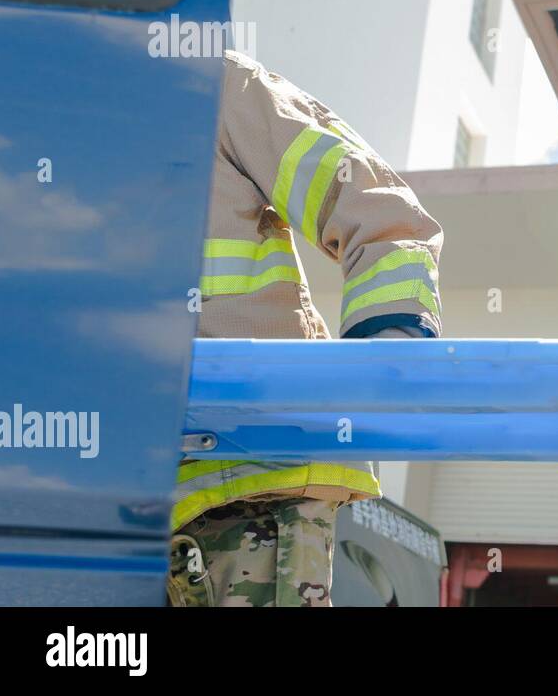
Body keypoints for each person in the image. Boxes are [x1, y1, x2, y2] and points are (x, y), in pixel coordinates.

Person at [167, 51, 443, 607]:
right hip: (82, 499)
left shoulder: (209, 86)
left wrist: (387, 348)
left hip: (248, 479)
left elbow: (378, 212)